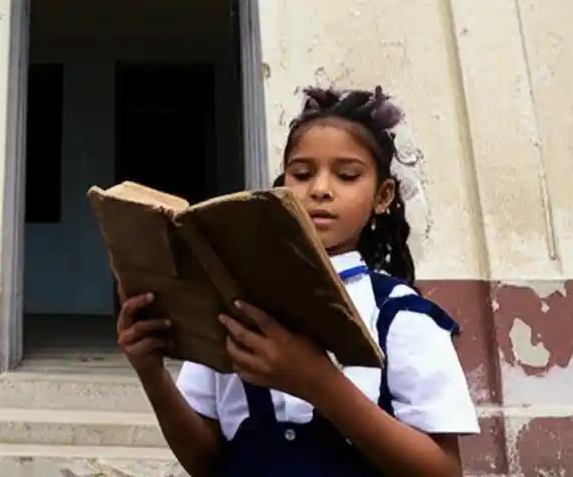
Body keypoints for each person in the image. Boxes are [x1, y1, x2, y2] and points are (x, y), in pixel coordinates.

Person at [116, 86, 479, 476]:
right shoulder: (233, 304)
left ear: (383, 195)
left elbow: (443, 471)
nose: (320, 189)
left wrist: (317, 382)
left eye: (347, 175)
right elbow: (205, 463)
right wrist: (150, 371)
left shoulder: (400, 316)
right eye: (302, 174)